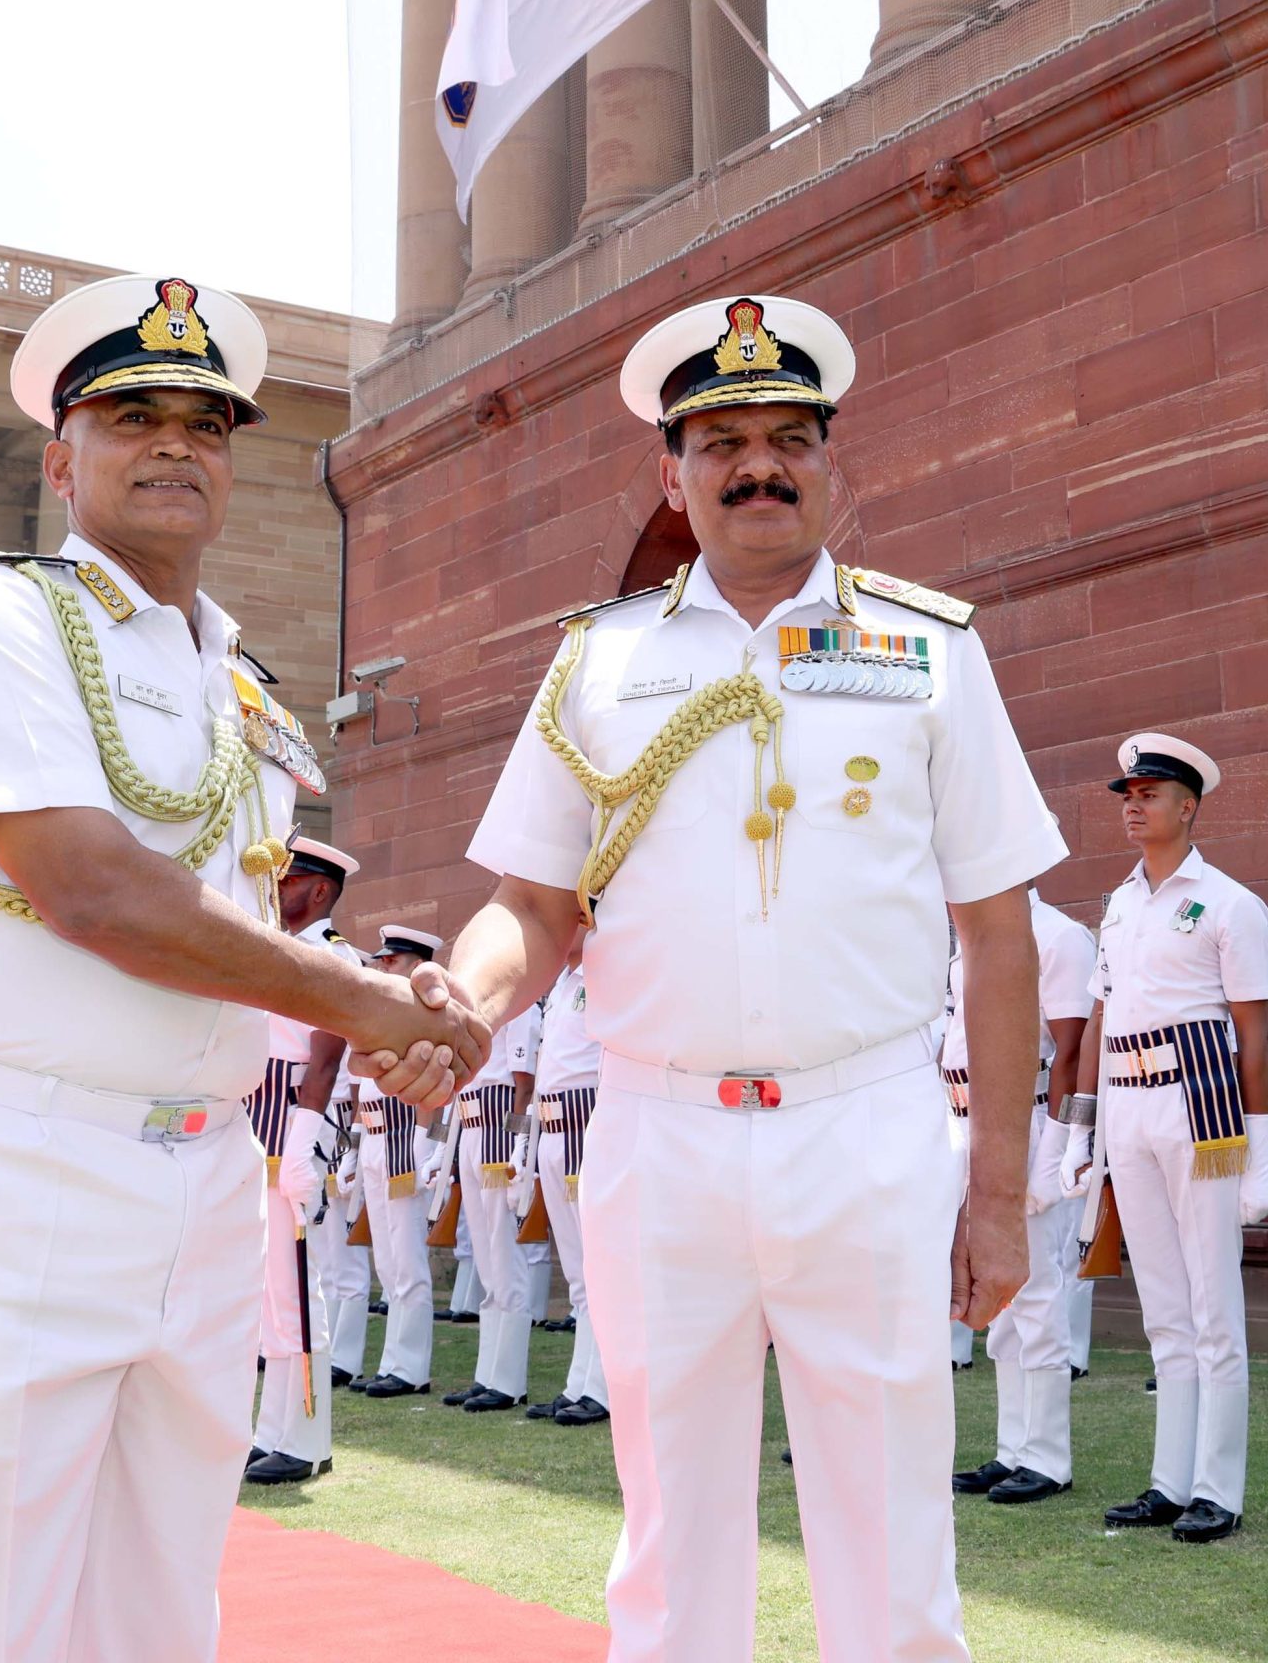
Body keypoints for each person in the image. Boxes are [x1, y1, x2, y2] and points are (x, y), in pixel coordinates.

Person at [0, 273, 485, 1663]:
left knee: (153, 1619)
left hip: (200, 1180)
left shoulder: (234, 683)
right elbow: (91, 886)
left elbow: (242, 922)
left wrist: (403, 1009)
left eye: (208, 420)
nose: (176, 442)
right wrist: (371, 1006)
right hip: (8, 1173)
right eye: (133, 413)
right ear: (60, 456)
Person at [433, 292, 1064, 1662]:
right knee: (669, 1545)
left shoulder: (932, 653)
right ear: (674, 474)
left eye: (789, 439)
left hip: (870, 1128)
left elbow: (999, 932)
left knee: (895, 1536)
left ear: (837, 466)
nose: (758, 466)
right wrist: (464, 1005)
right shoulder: (596, 662)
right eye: (722, 442)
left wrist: (999, 1195)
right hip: (661, 1136)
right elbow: (534, 903)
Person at [1062, 734, 1268, 1544]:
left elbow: (1255, 1033)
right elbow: (1102, 1017)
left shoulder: (1230, 902)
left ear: (1189, 805)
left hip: (1200, 1099)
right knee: (1162, 1303)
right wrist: (1081, 1134)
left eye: (1149, 792)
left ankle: (1216, 1487)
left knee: (1212, 1301)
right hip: (1128, 1098)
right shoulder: (1119, 903)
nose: (1133, 803)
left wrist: (1261, 1152)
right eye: (1128, 792)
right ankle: (1170, 1479)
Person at [951, 875, 1095, 1503]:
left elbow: (1069, 1052)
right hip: (962, 1125)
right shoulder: (963, 941)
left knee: (1039, 1295)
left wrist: (1058, 1150)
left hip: (1030, 1124)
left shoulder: (1058, 937)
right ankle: (1012, 1449)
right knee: (1003, 1307)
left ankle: (1047, 1457)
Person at [244, 834, 363, 1485]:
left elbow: (323, 1060)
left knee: (299, 1286)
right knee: (271, 1295)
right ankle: (275, 1432)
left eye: (289, 880)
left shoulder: (332, 957)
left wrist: (303, 1146)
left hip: (299, 1123)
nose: (278, 888)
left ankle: (310, 1440)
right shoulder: (278, 948)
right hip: (262, 1121)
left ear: (320, 890)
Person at [355, 927, 448, 1398]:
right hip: (374, 1138)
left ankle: (410, 1367)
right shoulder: (381, 1008)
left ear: (417, 964)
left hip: (402, 1140)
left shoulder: (423, 1013)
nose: (384, 966)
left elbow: (435, 1086)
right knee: (386, 1262)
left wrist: (425, 1143)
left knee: (407, 1260)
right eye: (383, 960)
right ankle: (393, 1360)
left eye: (393, 961)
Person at [523, 927, 609, 1425]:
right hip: (553, 1125)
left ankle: (602, 1389)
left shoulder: (600, 973)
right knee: (578, 1273)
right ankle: (579, 1382)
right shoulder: (559, 984)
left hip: (587, 1120)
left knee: (599, 1267)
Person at [441, 993, 539, 1413]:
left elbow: (523, 1082)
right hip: (472, 1123)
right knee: (486, 1260)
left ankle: (508, 1379)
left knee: (504, 1257)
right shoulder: (477, 1010)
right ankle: (488, 1374)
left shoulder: (520, 1008)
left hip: (499, 1124)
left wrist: (519, 1142)